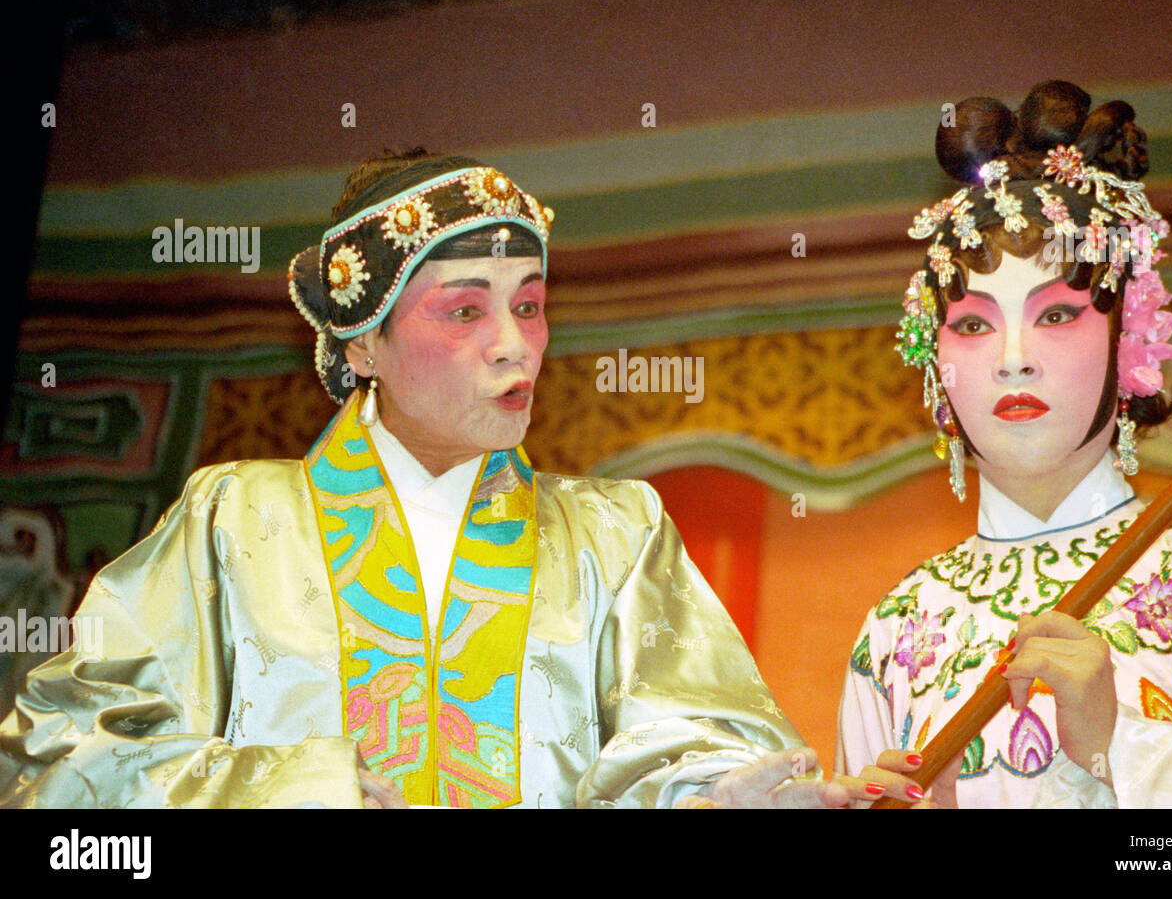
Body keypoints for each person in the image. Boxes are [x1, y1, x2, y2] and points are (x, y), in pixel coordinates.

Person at [0, 150, 900, 808]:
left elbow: (696, 750)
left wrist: (726, 802)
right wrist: (297, 787)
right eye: (464, 308)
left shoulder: (616, 533)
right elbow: (57, 765)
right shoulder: (235, 520)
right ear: (365, 343)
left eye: (530, 305)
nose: (514, 343)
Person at [836, 82, 1172, 808]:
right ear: (936, 365)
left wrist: (1116, 746)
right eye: (975, 324)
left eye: (1056, 313)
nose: (1013, 358)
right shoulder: (897, 630)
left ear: (1132, 334)